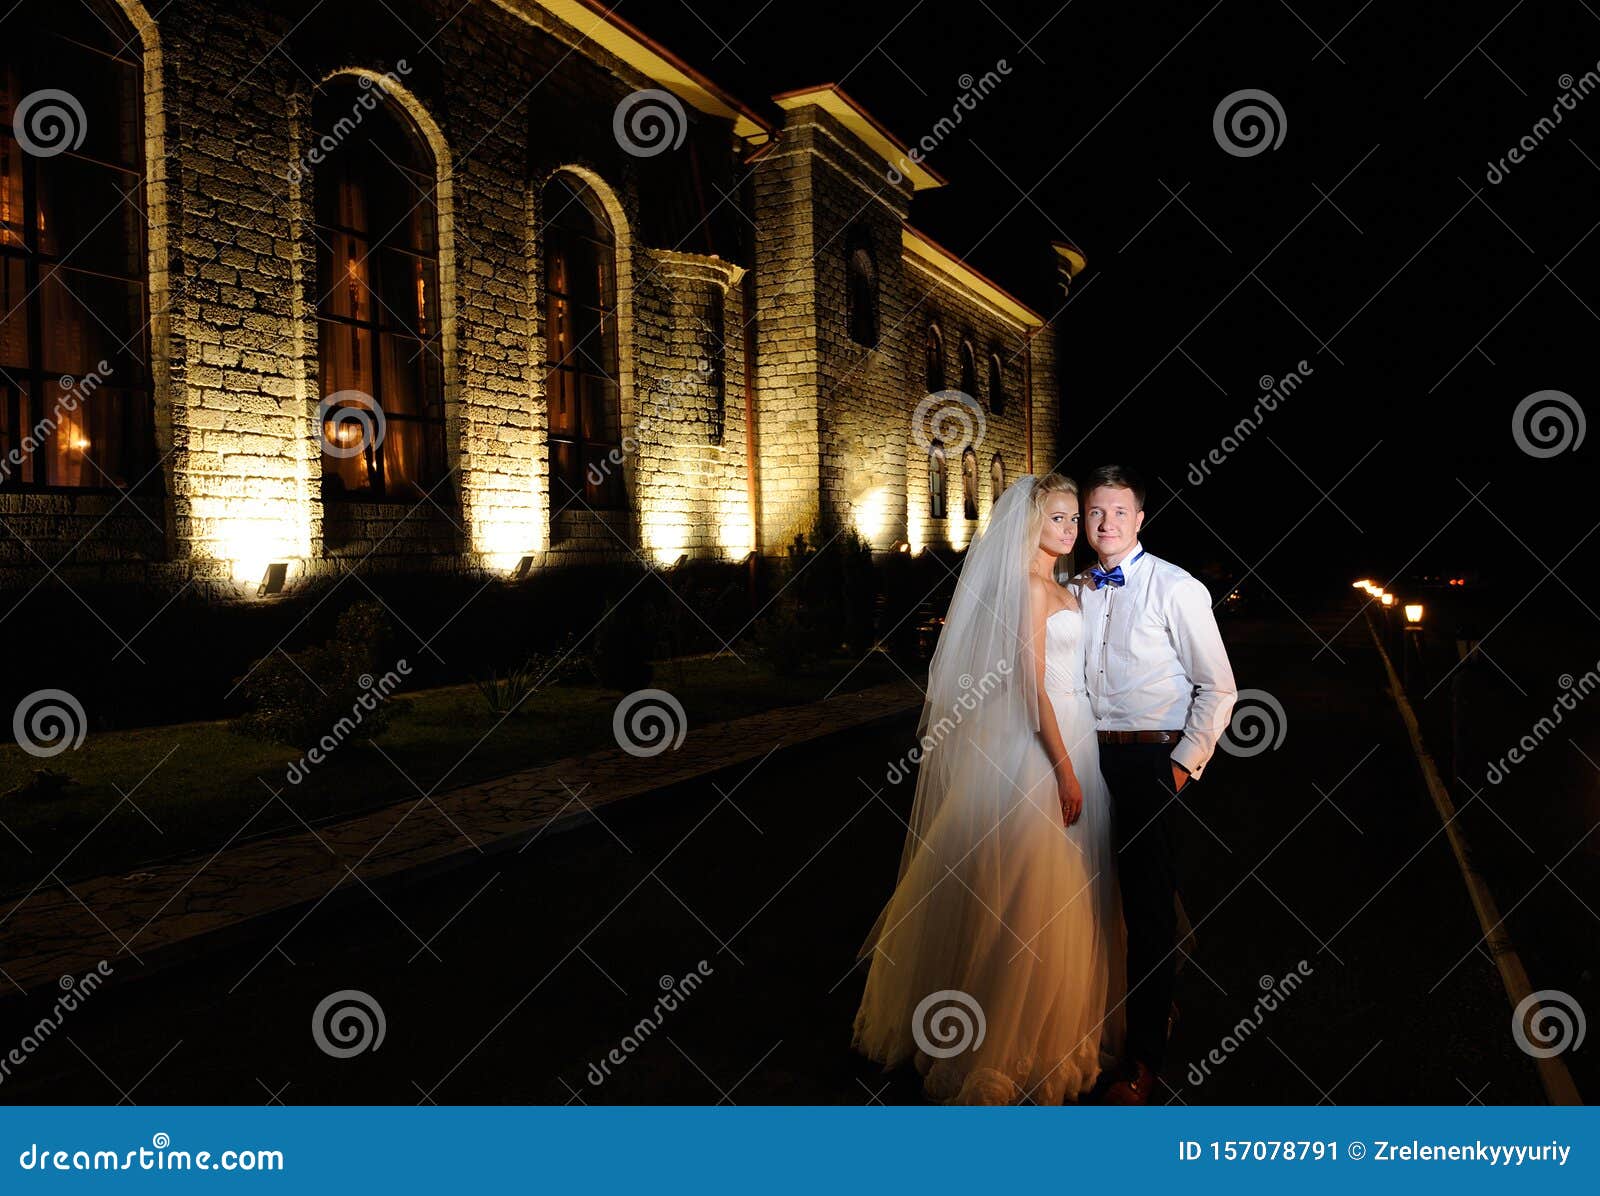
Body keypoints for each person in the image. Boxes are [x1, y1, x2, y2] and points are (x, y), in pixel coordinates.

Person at [851, 473, 1126, 1104]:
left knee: (1077, 883)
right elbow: (1031, 690)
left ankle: (1069, 1014)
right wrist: (1062, 768)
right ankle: (1005, 1039)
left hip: (1079, 731)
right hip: (1043, 746)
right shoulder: (1027, 590)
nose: (1068, 529)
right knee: (1034, 885)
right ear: (1028, 524)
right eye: (1057, 519)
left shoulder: (1063, 586)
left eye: (1070, 518)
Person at [1074, 464, 1237, 1105]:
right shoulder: (1075, 588)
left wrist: (1180, 766)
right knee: (1080, 899)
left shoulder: (1178, 588)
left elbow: (1218, 687)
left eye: (1119, 511)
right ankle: (1086, 1027)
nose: (1106, 522)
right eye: (1095, 512)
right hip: (1085, 762)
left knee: (1146, 912)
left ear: (1140, 519)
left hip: (1151, 764)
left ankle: (1144, 1060)